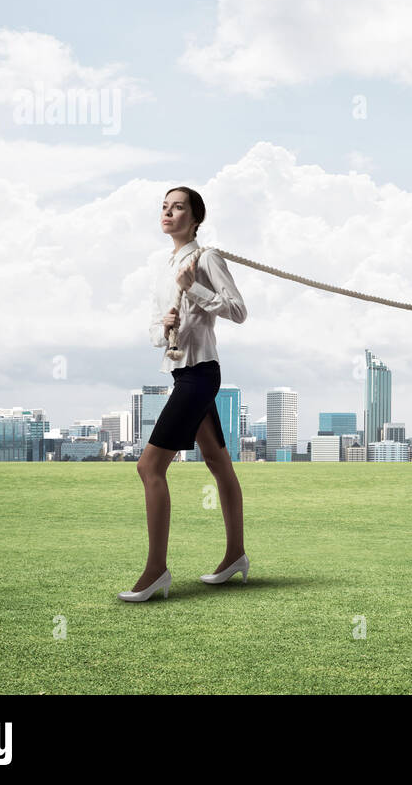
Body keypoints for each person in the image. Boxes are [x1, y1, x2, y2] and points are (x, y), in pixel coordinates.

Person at [119, 186, 250, 602]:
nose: (168, 213)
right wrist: (165, 323)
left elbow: (238, 311)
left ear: (195, 218)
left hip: (201, 375)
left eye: (178, 208)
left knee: (149, 467)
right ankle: (235, 556)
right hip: (182, 373)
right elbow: (154, 333)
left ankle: (156, 570)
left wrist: (193, 289)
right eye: (164, 207)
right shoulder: (163, 267)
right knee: (217, 461)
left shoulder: (206, 257)